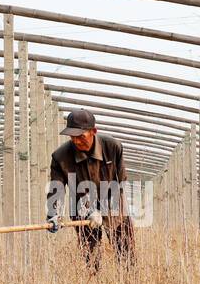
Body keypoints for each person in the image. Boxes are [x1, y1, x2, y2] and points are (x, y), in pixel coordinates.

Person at [45, 108, 135, 271]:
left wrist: (104, 210)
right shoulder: (60, 157)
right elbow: (56, 188)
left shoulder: (113, 148)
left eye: (81, 136)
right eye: (72, 137)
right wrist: (54, 214)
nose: (77, 141)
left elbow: (120, 183)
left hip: (115, 209)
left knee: (126, 258)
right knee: (91, 261)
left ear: (93, 131)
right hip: (83, 212)